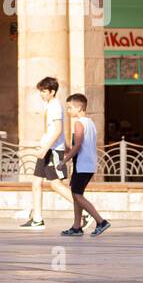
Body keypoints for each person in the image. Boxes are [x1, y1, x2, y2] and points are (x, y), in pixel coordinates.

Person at [21, 77, 77, 229]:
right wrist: (64, 146)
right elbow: (57, 130)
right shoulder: (49, 105)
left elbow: (58, 129)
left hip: (51, 150)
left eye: (44, 91)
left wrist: (46, 148)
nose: (41, 94)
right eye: (41, 91)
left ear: (52, 92)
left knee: (56, 184)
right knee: (36, 183)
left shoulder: (55, 106)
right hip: (48, 148)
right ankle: (37, 219)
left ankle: (84, 210)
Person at [59, 93, 110, 237]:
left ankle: (100, 221)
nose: (68, 111)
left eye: (70, 108)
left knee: (77, 195)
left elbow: (78, 146)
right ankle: (77, 227)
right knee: (77, 194)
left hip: (82, 165)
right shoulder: (90, 123)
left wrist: (65, 160)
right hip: (87, 164)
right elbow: (80, 145)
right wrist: (67, 148)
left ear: (79, 107)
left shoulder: (79, 123)